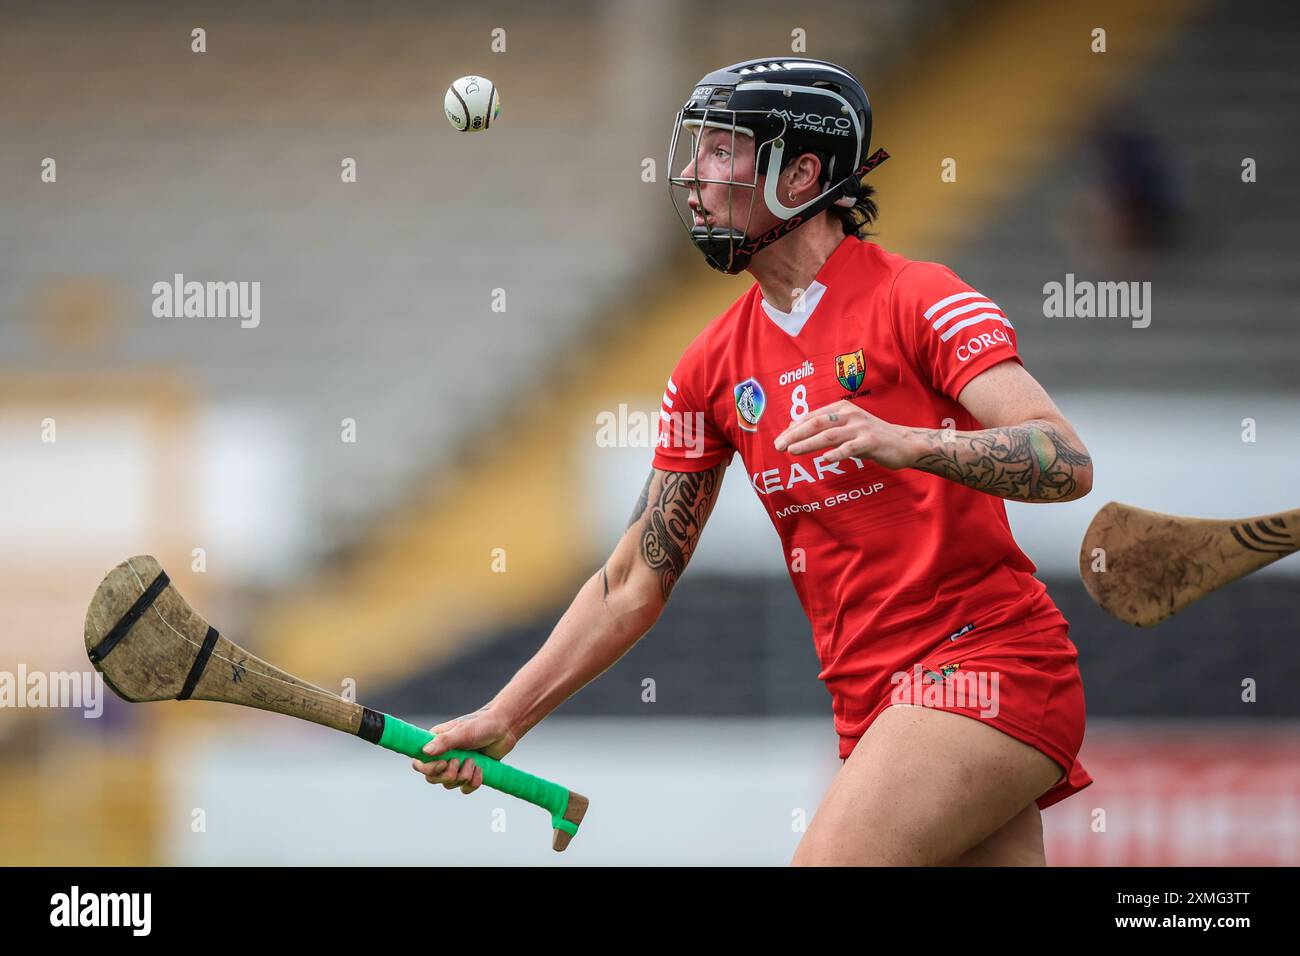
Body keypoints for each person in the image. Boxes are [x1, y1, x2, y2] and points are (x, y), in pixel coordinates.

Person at [412, 57, 1095, 866]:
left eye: (722, 152)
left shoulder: (918, 297)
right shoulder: (712, 365)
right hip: (873, 703)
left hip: (988, 663)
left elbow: (1064, 460)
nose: (694, 179)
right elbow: (635, 579)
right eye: (696, 151)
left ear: (804, 172)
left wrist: (911, 443)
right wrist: (508, 715)